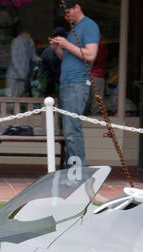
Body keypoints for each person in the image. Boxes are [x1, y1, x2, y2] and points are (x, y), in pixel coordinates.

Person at [50, 1, 99, 166]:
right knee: (69, 129)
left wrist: (66, 44)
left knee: (72, 129)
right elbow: (69, 58)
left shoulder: (89, 26)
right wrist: (57, 48)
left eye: (67, 12)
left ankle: (77, 170)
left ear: (77, 7)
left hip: (77, 83)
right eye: (64, 14)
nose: (66, 16)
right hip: (68, 82)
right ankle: (73, 168)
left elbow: (91, 55)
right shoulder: (74, 29)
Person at [6, 25, 36, 98]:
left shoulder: (30, 42)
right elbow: (14, 58)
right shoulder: (17, 41)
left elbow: (33, 56)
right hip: (13, 75)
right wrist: (20, 71)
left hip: (24, 75)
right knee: (10, 97)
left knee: (19, 96)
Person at [37, 27, 65, 98]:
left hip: (49, 81)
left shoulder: (47, 51)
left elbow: (41, 68)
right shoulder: (63, 50)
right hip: (53, 81)